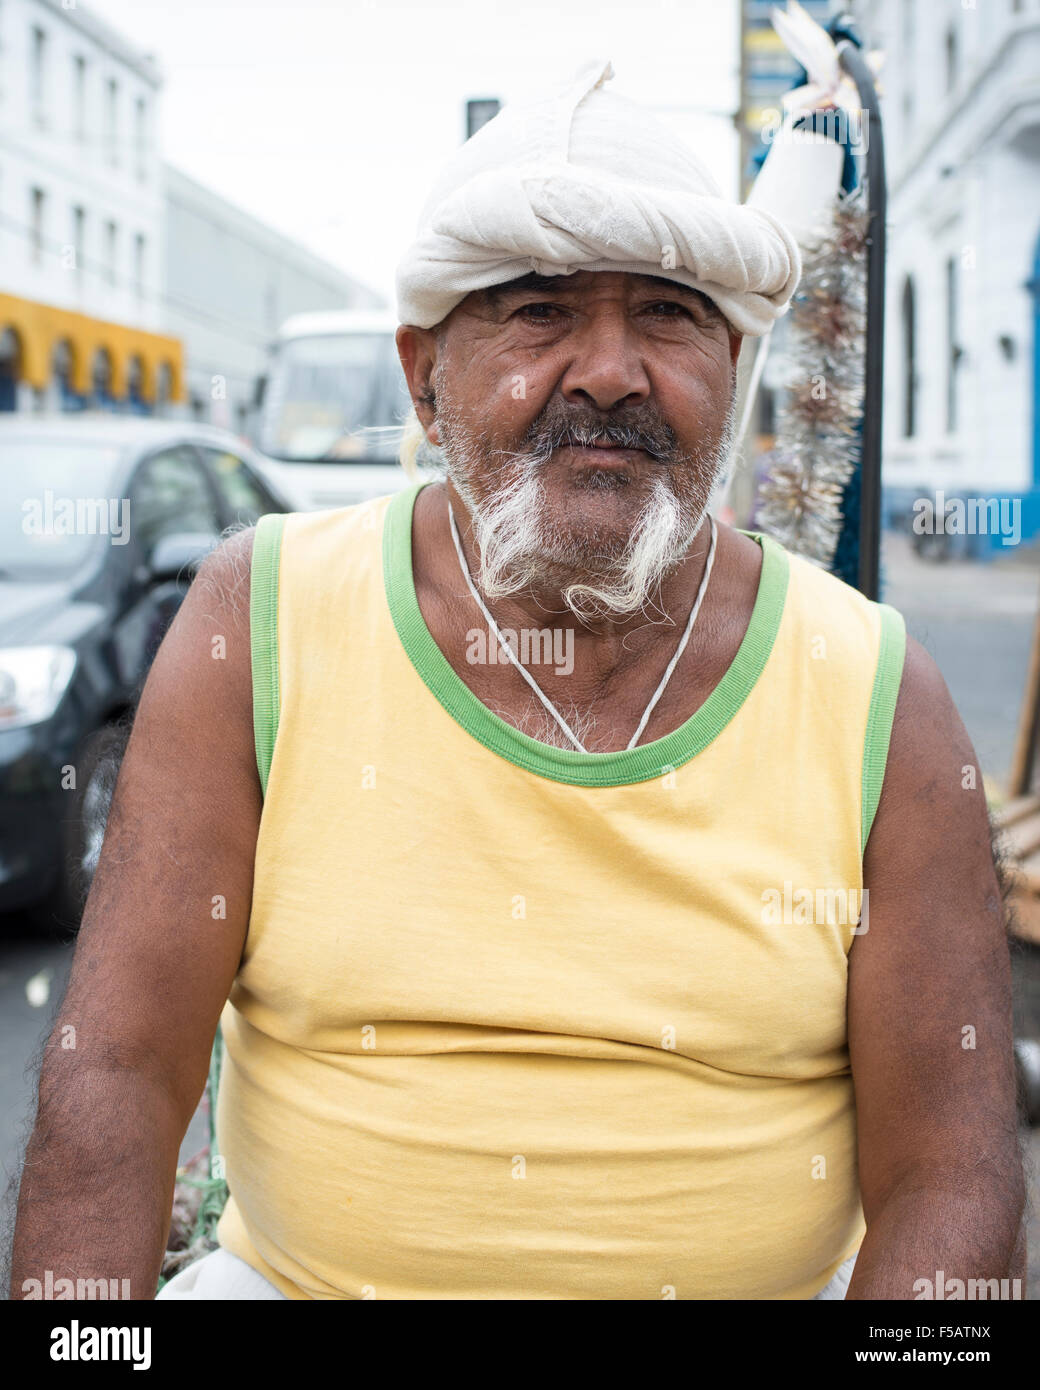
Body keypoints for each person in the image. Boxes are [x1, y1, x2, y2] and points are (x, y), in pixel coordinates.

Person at [10, 59, 1023, 1301]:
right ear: (421, 377)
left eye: (666, 313)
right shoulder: (259, 616)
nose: (608, 370)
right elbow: (116, 1063)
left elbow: (952, 1177)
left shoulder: (874, 684)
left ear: (731, 370)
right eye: (538, 309)